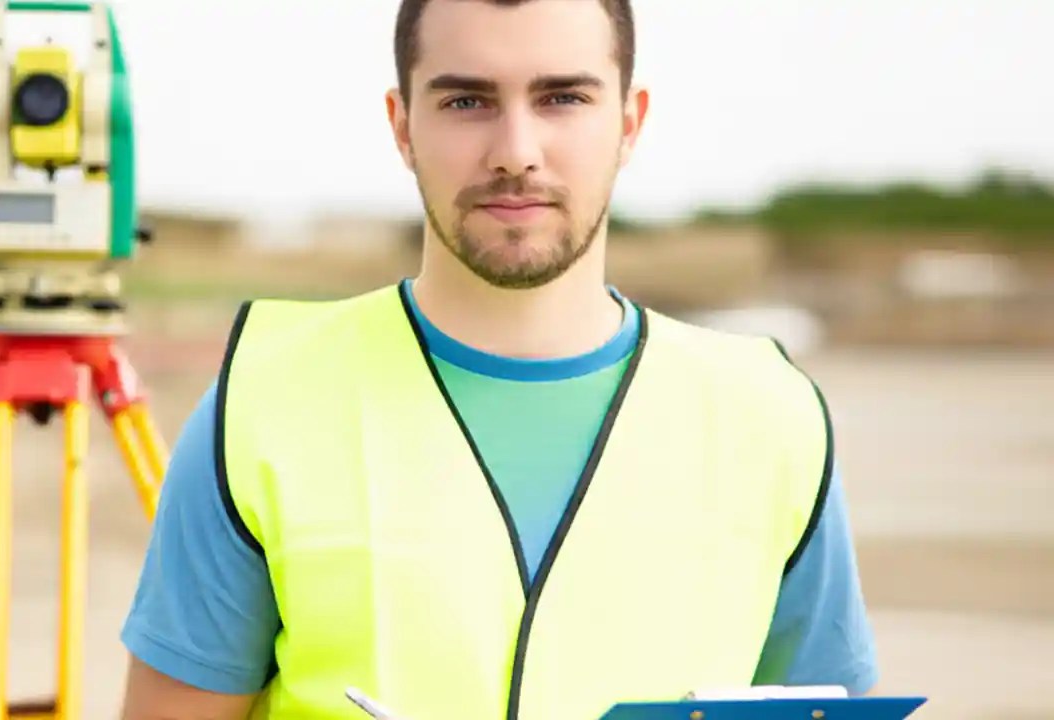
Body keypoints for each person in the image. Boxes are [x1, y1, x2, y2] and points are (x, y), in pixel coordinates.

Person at [118, 1, 880, 718]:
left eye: (562, 99)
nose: (516, 152)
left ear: (629, 121)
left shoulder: (772, 417)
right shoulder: (263, 400)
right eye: (466, 102)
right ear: (402, 125)